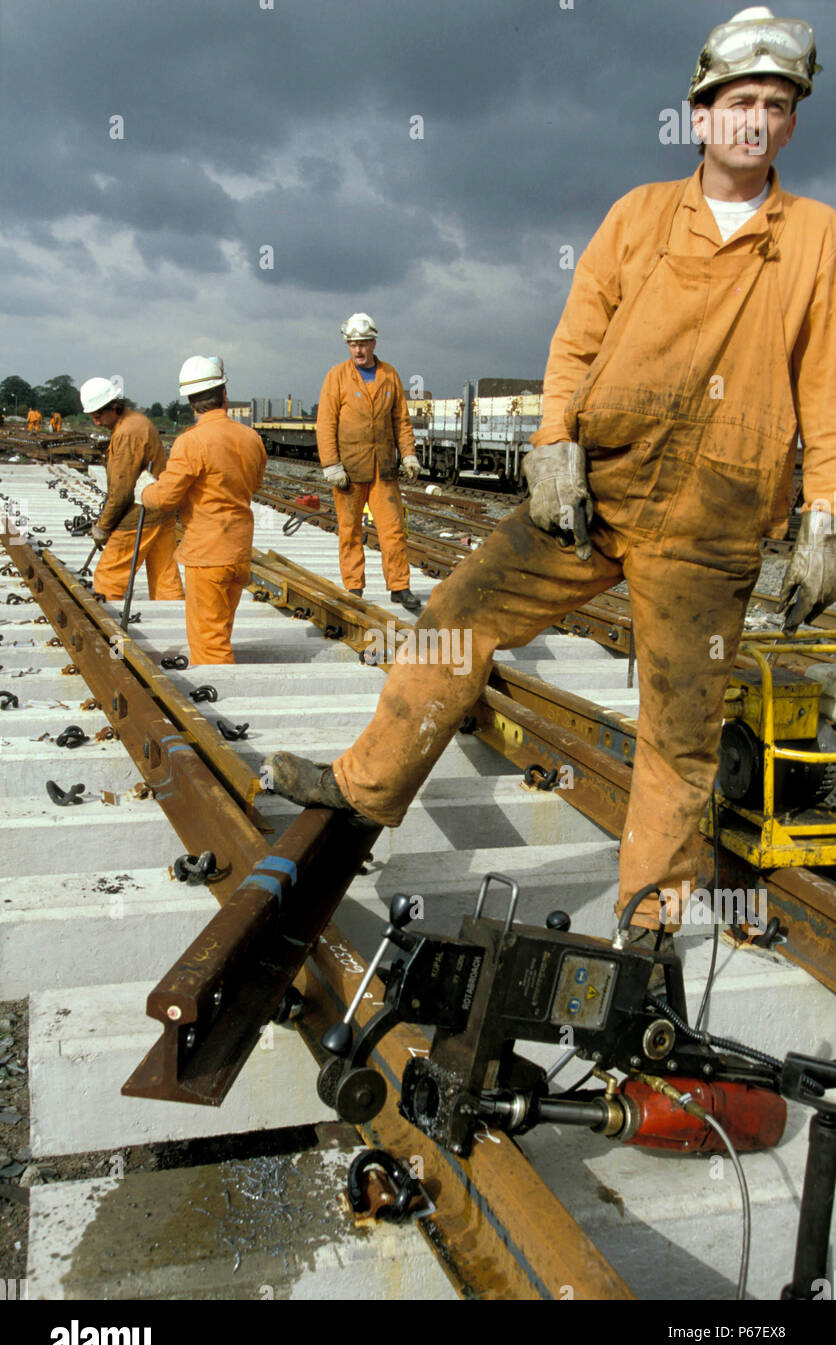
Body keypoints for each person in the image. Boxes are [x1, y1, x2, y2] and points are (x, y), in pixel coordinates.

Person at [262, 8, 836, 958]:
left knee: (681, 723)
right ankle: (366, 786)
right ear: (700, 115)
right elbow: (576, 340)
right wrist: (552, 439)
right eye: (739, 101)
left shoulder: (816, 240)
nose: (755, 121)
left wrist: (824, 512)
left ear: (791, 122)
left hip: (714, 519)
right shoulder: (640, 215)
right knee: (450, 618)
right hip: (593, 494)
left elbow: (824, 385)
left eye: (777, 105)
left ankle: (650, 916)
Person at [134, 355, 266, 665]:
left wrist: (144, 490)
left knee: (210, 646)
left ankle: (218, 704)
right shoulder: (252, 438)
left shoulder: (191, 442)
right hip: (239, 553)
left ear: (192, 403)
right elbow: (253, 486)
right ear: (224, 395)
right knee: (221, 631)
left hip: (208, 556)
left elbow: (166, 497)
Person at [316, 312, 422, 611]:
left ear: (373, 343)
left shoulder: (389, 374)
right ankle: (354, 586)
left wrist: (409, 453)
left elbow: (401, 420)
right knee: (349, 529)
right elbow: (325, 423)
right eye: (353, 344)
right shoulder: (336, 376)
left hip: (383, 467)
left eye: (363, 344)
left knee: (393, 528)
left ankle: (399, 586)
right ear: (347, 346)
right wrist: (331, 464)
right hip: (349, 469)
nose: (358, 350)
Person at [80, 377, 184, 603]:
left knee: (109, 576)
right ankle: (173, 621)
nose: (96, 423)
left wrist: (103, 526)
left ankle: (110, 630)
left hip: (140, 514)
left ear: (113, 407)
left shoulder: (127, 432)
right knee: (165, 575)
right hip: (161, 509)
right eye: (93, 417)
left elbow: (122, 491)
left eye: (98, 416)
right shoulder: (135, 421)